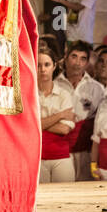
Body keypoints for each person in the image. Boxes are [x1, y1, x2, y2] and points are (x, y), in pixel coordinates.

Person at [57, 41, 107, 180]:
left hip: (85, 152)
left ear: (87, 63)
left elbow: (101, 123)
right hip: (58, 151)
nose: (77, 63)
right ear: (65, 58)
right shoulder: (53, 84)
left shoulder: (97, 88)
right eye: (74, 56)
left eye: (82, 58)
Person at [37, 45, 76, 183]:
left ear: (54, 66)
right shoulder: (29, 95)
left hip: (61, 157)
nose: (42, 69)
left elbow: (64, 128)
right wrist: (59, 116)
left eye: (46, 64)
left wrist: (39, 123)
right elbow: (28, 125)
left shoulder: (64, 94)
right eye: (39, 65)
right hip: (37, 157)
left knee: (67, 198)